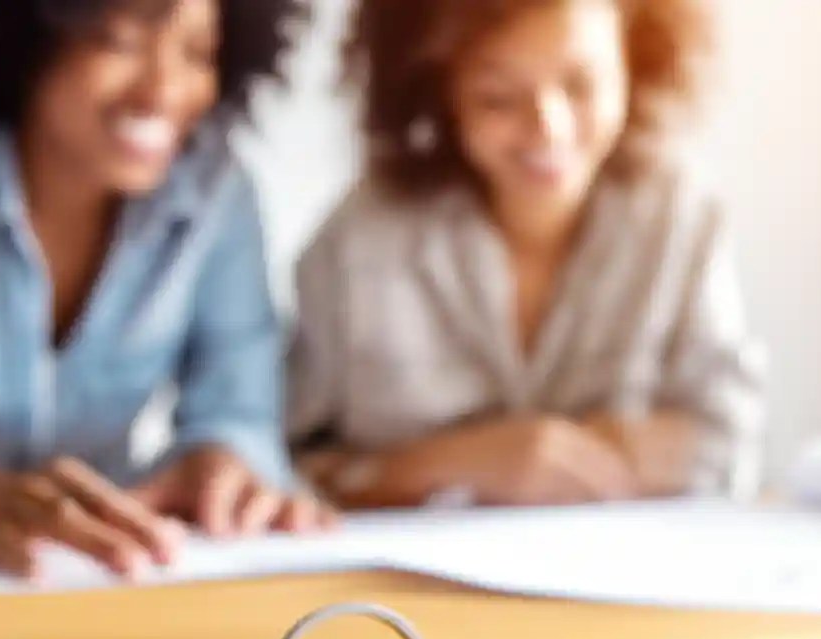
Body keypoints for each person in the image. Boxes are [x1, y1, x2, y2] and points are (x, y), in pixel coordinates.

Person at [0, 0, 334, 580]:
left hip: (98, 583)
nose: (163, 91)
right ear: (22, 38)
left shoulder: (216, 193)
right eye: (120, 43)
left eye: (198, 54)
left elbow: (240, 419)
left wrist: (224, 468)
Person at [290, 0, 763, 509]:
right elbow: (290, 469)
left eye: (580, 85)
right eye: (498, 99)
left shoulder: (682, 220)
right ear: (442, 89)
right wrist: (455, 462)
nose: (549, 128)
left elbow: (732, 445)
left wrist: (586, 452)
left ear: (634, 62)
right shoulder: (359, 241)